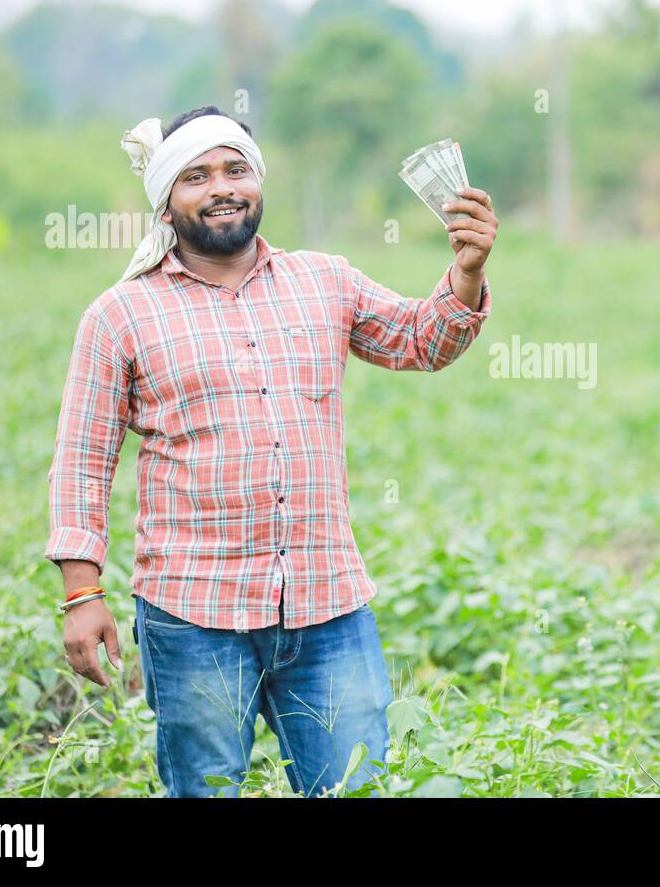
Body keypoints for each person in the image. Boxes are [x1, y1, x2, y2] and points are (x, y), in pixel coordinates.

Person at [46, 105, 497, 797]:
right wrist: (82, 592)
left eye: (235, 169)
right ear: (167, 199)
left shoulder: (326, 281)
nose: (221, 187)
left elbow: (421, 341)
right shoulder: (121, 315)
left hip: (327, 606)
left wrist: (466, 271)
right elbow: (82, 459)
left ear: (258, 182)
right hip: (193, 615)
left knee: (357, 788)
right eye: (196, 176)